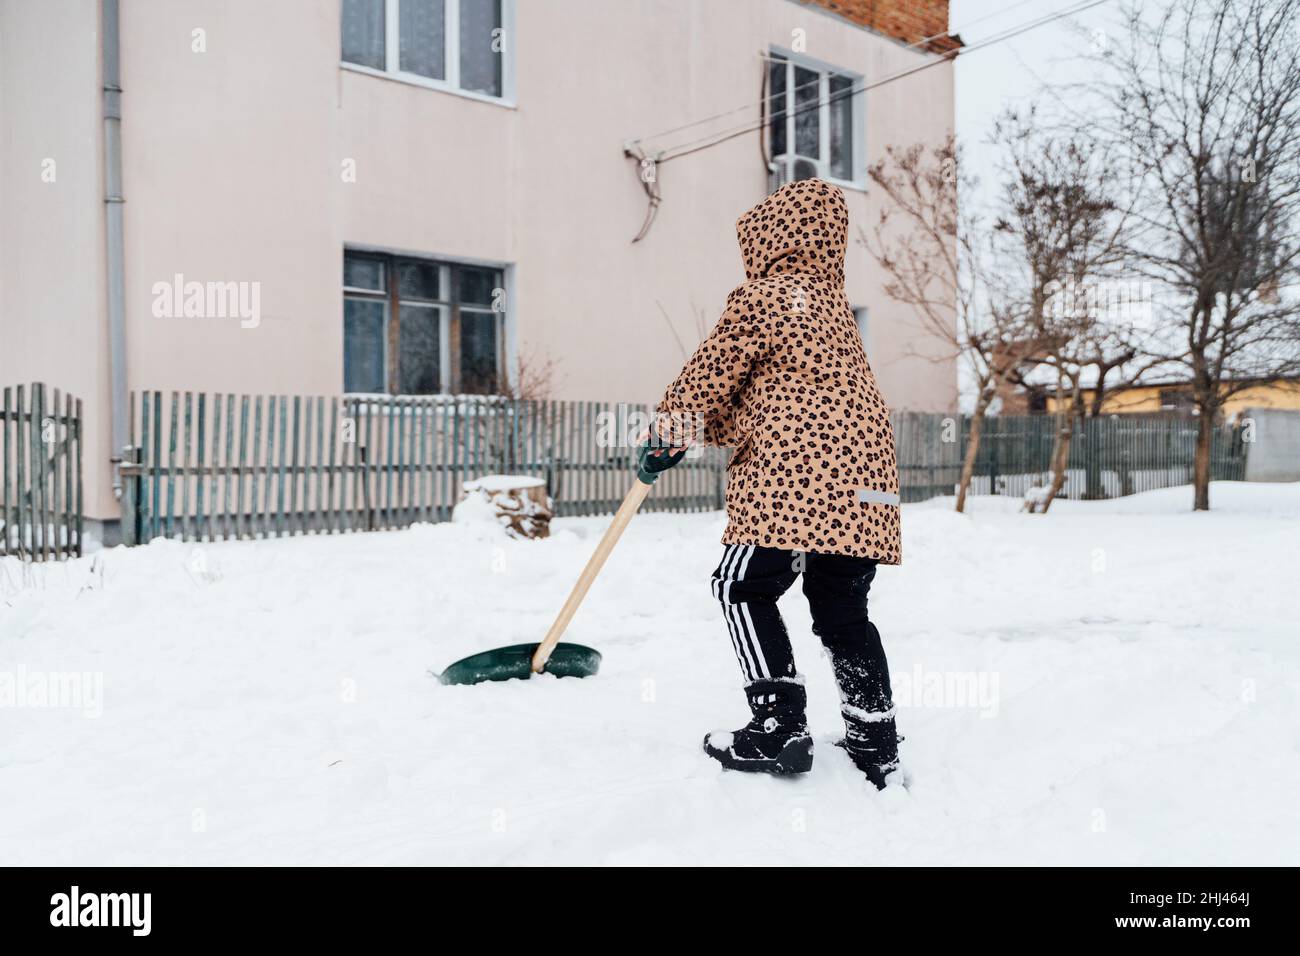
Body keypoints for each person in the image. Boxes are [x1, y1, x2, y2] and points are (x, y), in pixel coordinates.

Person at [640, 178, 903, 789]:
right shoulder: (835, 310)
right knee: (843, 610)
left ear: (767, 241)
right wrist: (701, 432)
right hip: (866, 481)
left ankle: (778, 725)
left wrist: (668, 432)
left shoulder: (765, 296)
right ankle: (875, 739)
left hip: (793, 476)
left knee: (739, 586)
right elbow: (778, 391)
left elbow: (713, 372)